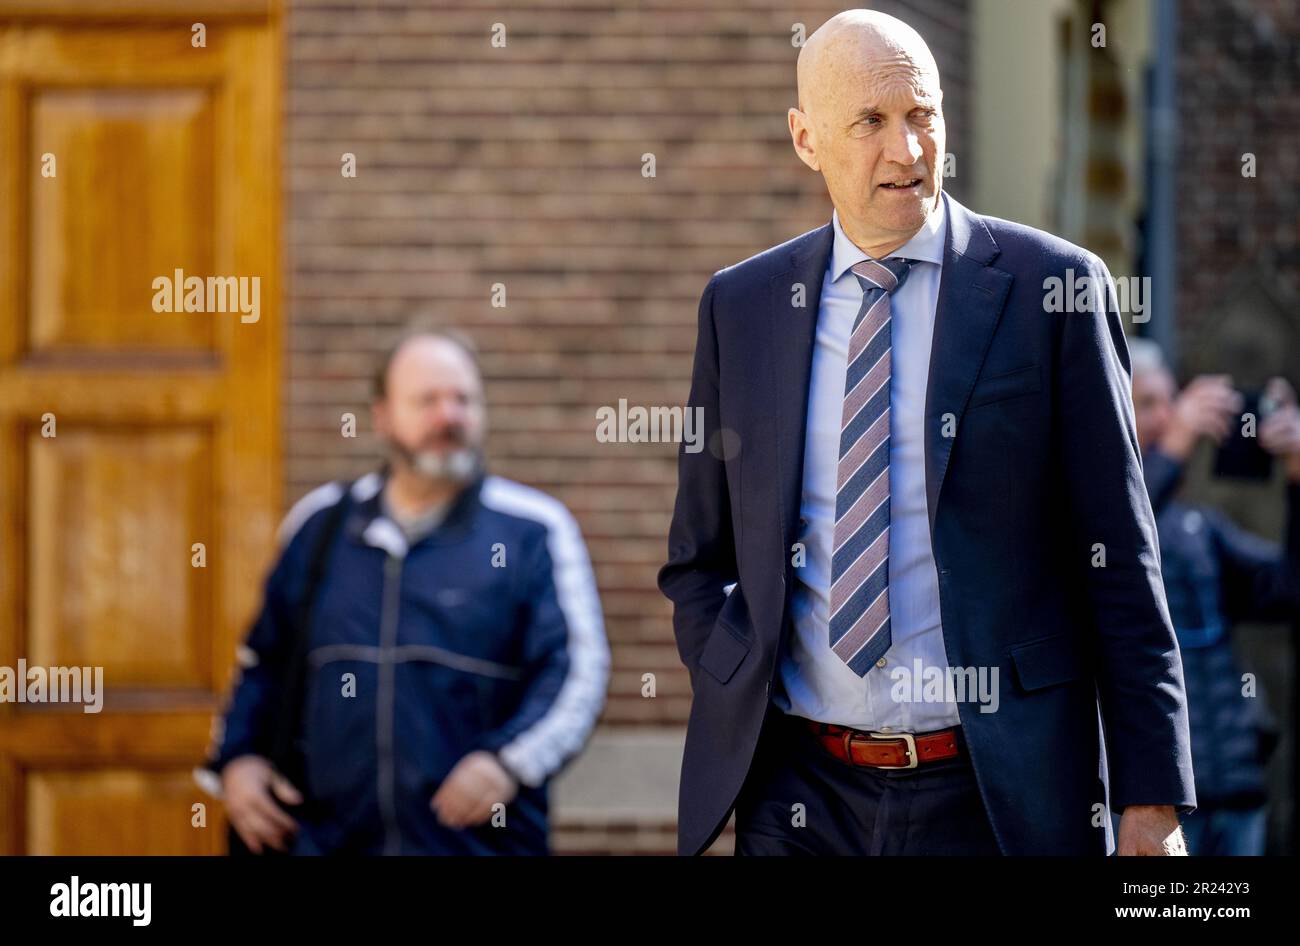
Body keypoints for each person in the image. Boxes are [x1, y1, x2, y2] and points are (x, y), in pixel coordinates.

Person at [658, 9, 1194, 856]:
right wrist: (734, 680)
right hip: (800, 795)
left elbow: (1121, 559)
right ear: (807, 140)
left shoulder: (1052, 289)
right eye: (870, 123)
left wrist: (1152, 798)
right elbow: (698, 556)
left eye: (921, 115)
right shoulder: (744, 306)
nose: (906, 151)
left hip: (996, 792)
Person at [196, 329, 610, 854]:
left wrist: (508, 761)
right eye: (427, 400)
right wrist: (238, 761)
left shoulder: (533, 530)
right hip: (328, 842)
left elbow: (576, 670)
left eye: (463, 399)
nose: (449, 416)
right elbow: (262, 661)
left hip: (477, 845)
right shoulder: (320, 526)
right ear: (382, 416)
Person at [1129, 339, 1300, 855]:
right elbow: (1119, 541)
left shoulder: (1198, 525)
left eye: (1171, 402)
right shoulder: (1075, 516)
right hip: (1153, 808)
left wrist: (1297, 473)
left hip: (1236, 795)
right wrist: (1175, 445)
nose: (1166, 418)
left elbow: (1288, 591)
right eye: (1146, 404)